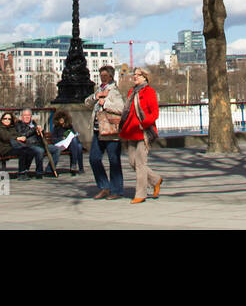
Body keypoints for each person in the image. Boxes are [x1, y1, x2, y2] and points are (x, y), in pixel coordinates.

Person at [120, 67, 163, 203]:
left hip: (143, 131)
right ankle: (156, 180)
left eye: (138, 75)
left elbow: (154, 113)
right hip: (131, 131)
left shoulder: (149, 91)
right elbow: (127, 111)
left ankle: (140, 194)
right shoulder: (132, 92)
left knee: (140, 163)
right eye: (134, 74)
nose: (135, 77)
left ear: (145, 77)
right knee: (133, 162)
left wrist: (143, 124)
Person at [84, 65, 124, 200]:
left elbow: (121, 108)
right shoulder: (99, 89)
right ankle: (104, 186)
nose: (102, 78)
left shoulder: (115, 91)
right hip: (98, 131)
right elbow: (87, 103)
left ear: (111, 77)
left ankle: (116, 190)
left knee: (114, 160)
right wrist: (96, 96)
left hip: (111, 131)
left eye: (105, 76)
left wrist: (105, 103)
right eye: (101, 76)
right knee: (94, 158)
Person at [10, 108, 47, 177]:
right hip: (28, 145)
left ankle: (50, 170)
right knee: (39, 151)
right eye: (25, 115)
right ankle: (39, 172)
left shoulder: (34, 124)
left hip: (39, 144)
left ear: (31, 116)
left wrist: (41, 131)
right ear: (22, 116)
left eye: (28, 115)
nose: (27, 117)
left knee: (55, 149)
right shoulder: (19, 125)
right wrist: (33, 129)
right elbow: (23, 134)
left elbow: (42, 136)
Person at [47, 110, 85, 174]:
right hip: (62, 145)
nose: (61, 121)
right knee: (78, 146)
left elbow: (75, 137)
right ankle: (74, 164)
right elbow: (53, 140)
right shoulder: (56, 128)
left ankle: (76, 166)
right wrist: (62, 138)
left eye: (62, 119)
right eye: (60, 119)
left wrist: (72, 136)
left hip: (71, 145)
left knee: (79, 146)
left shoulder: (69, 127)